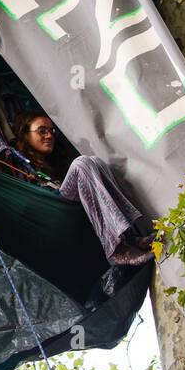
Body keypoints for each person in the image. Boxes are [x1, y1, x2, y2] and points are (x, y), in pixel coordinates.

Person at [13, 111, 154, 266]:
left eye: (51, 131)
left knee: (95, 161)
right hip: (51, 210)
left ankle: (129, 237)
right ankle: (116, 250)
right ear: (25, 135)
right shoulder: (18, 165)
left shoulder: (54, 161)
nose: (49, 135)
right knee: (82, 164)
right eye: (42, 131)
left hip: (70, 207)